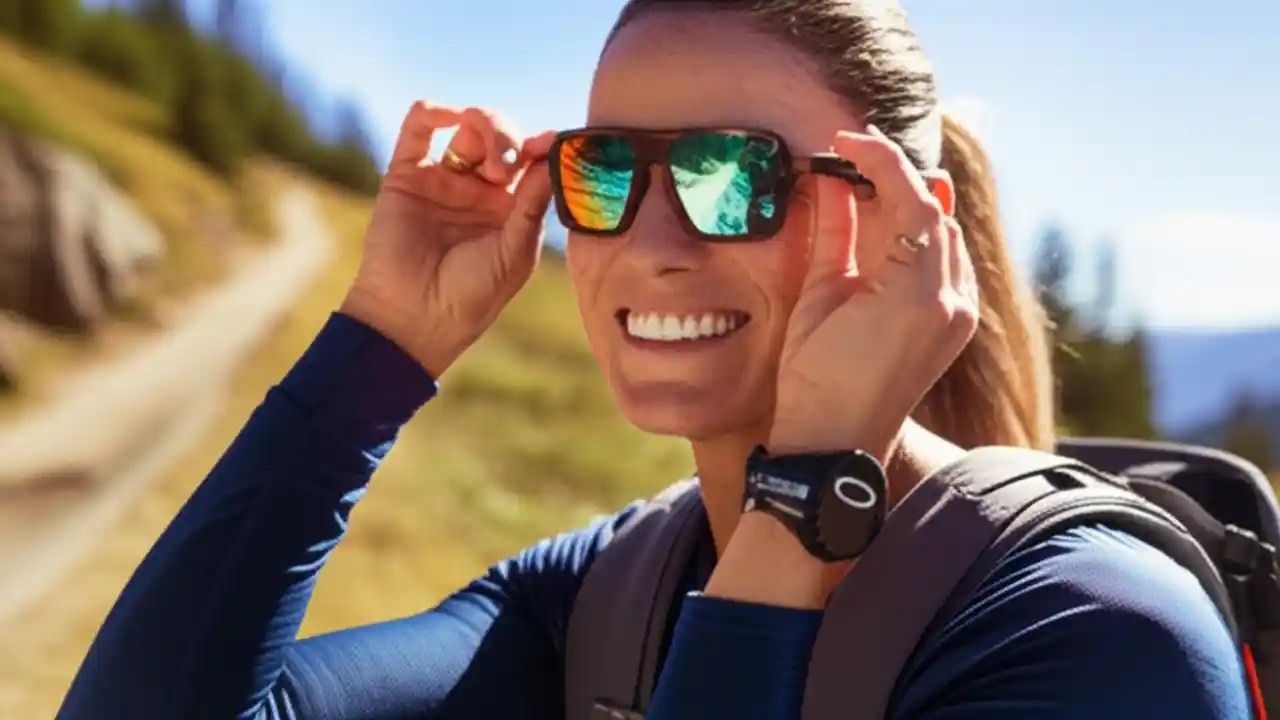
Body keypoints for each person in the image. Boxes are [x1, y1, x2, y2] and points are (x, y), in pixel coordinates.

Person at [58, 2, 1249, 718]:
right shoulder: (607, 597)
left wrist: (802, 501)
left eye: (737, 177)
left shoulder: (1091, 636)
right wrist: (379, 346)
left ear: (908, 227)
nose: (653, 243)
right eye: (606, 172)